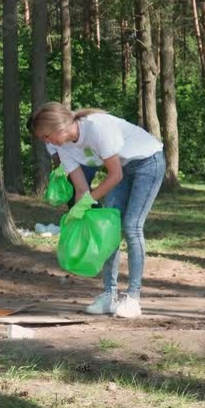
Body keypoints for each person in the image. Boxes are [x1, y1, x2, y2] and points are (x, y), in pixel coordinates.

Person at [30, 102, 164, 318]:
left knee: (131, 226)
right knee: (108, 227)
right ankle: (109, 295)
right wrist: (82, 208)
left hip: (147, 163)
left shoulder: (96, 128)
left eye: (46, 136)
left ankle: (133, 298)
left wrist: (88, 200)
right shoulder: (64, 147)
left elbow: (115, 175)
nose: (47, 142)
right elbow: (82, 188)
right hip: (122, 167)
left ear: (60, 128)